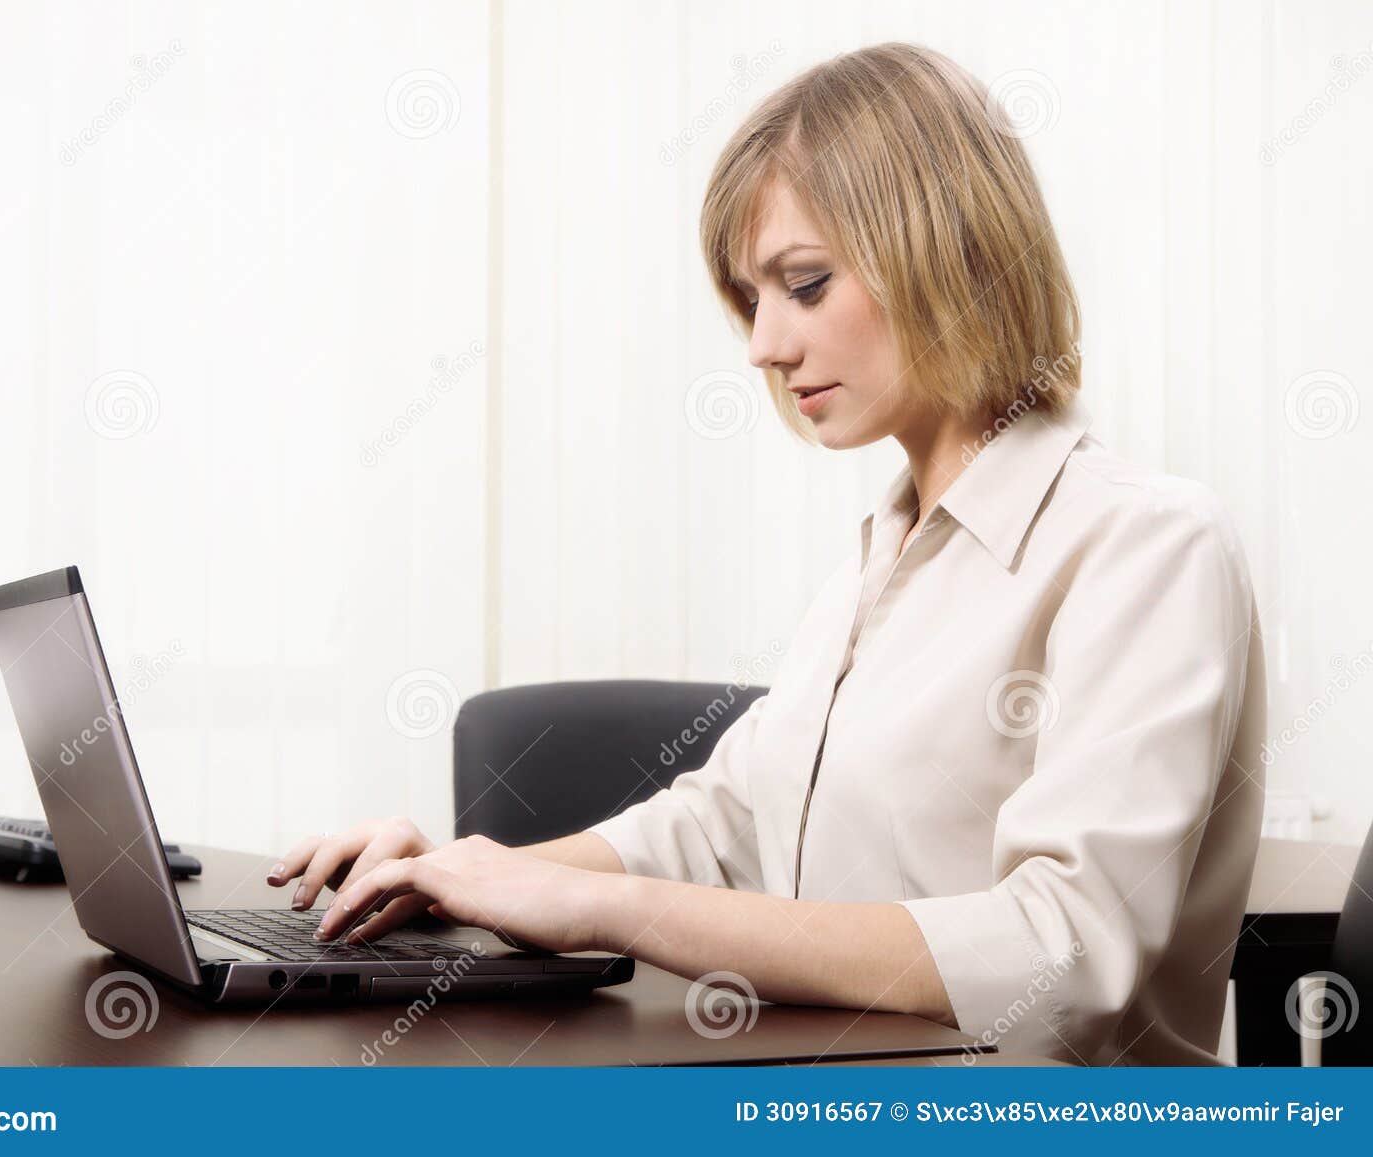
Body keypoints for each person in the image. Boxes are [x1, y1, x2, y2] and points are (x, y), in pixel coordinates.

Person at [267, 42, 1265, 1066]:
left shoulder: (1146, 543)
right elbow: (725, 824)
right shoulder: (879, 557)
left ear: (946, 250)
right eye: (753, 300)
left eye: (804, 283)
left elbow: (1059, 959)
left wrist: (601, 905)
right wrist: (466, 871)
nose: (762, 346)